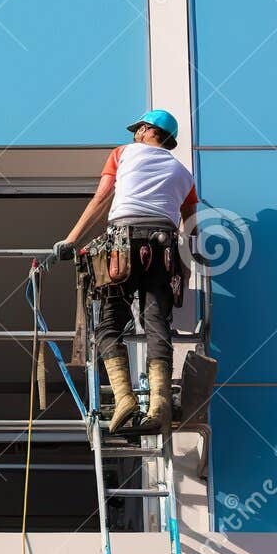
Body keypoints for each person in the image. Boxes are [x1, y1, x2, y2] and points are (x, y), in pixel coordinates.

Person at [54, 109, 198, 434]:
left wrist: (71, 240)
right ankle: (160, 403)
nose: (135, 135)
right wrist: (184, 270)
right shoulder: (183, 173)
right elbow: (191, 228)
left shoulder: (122, 154)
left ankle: (124, 400)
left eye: (138, 130)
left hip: (124, 244)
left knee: (108, 325)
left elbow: (101, 199)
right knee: (157, 323)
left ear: (148, 130)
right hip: (165, 248)